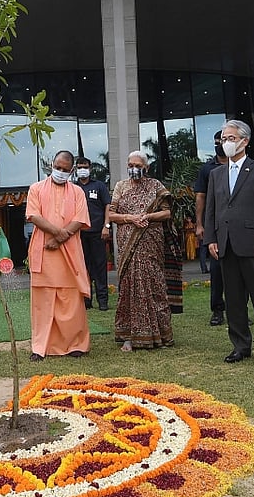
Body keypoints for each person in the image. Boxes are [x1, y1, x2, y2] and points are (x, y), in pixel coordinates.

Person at [204, 119, 254, 368]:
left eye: (230, 138)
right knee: (234, 300)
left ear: (244, 141)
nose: (226, 142)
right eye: (223, 139)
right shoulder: (216, 174)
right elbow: (211, 209)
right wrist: (210, 239)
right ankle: (240, 345)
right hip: (225, 244)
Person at [28, 151, 91, 361]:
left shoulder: (77, 192)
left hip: (69, 253)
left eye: (65, 170)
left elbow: (80, 219)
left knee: (70, 299)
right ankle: (40, 347)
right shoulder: (35, 188)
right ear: (51, 165)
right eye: (58, 167)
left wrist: (60, 239)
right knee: (43, 301)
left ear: (71, 171)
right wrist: (58, 233)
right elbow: (34, 215)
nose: (61, 172)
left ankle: (75, 344)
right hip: (45, 251)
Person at [110, 150, 174, 351]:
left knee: (154, 285)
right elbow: (112, 214)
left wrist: (147, 217)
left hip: (150, 243)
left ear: (146, 167)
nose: (133, 169)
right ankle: (129, 336)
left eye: (138, 166)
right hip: (128, 243)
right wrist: (130, 218)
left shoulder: (155, 186)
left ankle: (160, 335)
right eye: (130, 165)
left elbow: (167, 212)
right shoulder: (121, 186)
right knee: (129, 287)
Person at [193, 131, 227, 326]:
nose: (219, 145)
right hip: (214, 224)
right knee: (216, 270)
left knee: (239, 271)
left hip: (237, 225)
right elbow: (200, 197)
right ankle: (217, 310)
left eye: (222, 141)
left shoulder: (240, 166)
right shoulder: (207, 169)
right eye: (217, 142)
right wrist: (199, 224)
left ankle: (239, 309)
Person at [75, 156, 111, 310]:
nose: (82, 169)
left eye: (85, 167)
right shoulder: (73, 187)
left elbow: (108, 206)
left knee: (100, 267)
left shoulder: (99, 186)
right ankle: (86, 300)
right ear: (75, 169)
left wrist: (106, 226)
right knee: (83, 268)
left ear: (90, 168)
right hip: (79, 234)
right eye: (79, 167)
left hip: (98, 232)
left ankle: (102, 301)